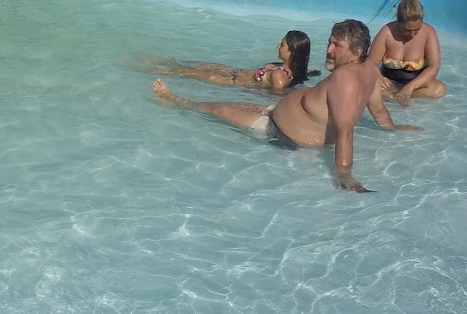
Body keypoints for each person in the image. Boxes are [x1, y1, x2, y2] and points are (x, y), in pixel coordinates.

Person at [152, 19, 419, 192]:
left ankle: (175, 102)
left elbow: (345, 129)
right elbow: (378, 110)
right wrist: (393, 128)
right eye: (329, 41)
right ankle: (183, 101)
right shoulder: (370, 70)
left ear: (356, 52)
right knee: (230, 103)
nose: (328, 49)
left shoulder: (344, 78)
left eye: (337, 45)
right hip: (276, 115)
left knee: (219, 109)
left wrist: (344, 174)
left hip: (279, 132)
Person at [133, 31, 316, 94]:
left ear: (292, 52)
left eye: (282, 44)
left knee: (185, 72)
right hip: (234, 72)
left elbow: (272, 98)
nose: (278, 45)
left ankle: (143, 69)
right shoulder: (279, 67)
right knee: (194, 63)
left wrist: (247, 89)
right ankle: (158, 60)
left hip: (231, 81)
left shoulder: (279, 78)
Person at [372, 0, 447, 100]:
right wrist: (379, 77)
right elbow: (370, 64)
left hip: (415, 84)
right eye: (407, 30)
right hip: (387, 83)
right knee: (362, 79)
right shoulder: (387, 32)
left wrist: (411, 87)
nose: (412, 35)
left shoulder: (428, 32)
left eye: (416, 30)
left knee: (439, 89)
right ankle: (396, 96)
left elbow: (433, 67)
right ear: (398, 21)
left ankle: (395, 96)